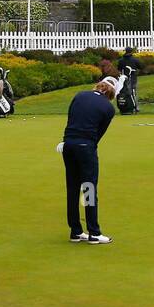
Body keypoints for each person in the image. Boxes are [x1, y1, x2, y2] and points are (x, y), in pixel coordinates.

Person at [59, 76, 119, 244]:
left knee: (72, 188)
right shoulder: (108, 108)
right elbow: (98, 134)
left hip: (68, 144)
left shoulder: (79, 95)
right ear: (111, 93)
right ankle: (94, 232)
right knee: (89, 188)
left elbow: (71, 119)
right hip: (86, 147)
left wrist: (68, 140)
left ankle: (76, 231)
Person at [117, 47, 140, 112]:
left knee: (124, 92)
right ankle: (135, 106)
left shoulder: (121, 60)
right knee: (133, 92)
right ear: (131, 52)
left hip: (123, 78)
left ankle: (125, 106)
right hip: (133, 78)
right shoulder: (135, 60)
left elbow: (119, 69)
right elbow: (140, 67)